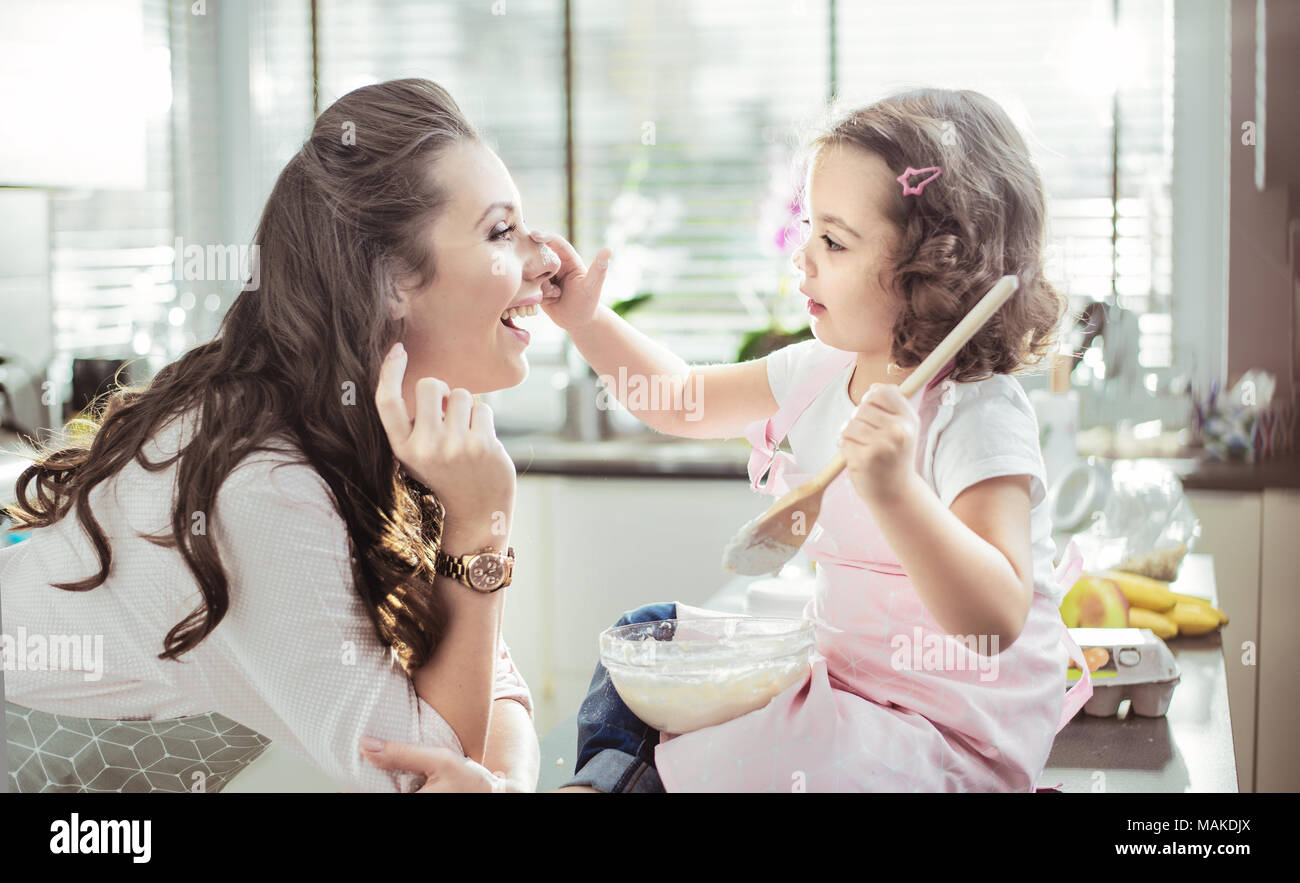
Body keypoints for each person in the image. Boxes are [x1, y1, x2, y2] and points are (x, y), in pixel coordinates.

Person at [377, 87, 1094, 793]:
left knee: (769, 752)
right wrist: (590, 324)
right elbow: (681, 401)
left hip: (944, 734)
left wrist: (897, 492)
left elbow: (994, 620)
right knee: (649, 636)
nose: (803, 257)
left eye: (835, 241)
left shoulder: (976, 409)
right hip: (846, 686)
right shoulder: (820, 371)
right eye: (809, 227)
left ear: (934, 268)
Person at [1, 79, 553, 793]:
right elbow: (417, 772)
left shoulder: (378, 428)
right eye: (501, 231)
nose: (547, 259)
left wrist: (501, 782)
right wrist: (480, 529)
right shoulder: (259, 484)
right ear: (391, 279)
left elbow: (494, 690)